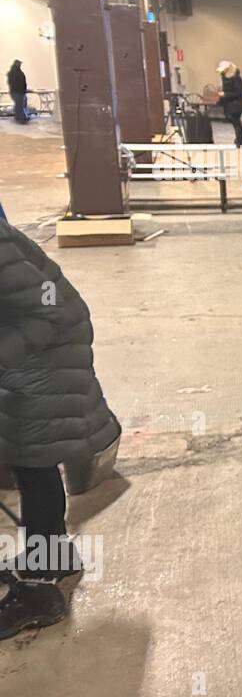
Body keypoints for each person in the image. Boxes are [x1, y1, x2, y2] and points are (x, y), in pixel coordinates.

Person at [0, 219, 120, 639]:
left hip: (48, 352)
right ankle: (54, 553)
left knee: (34, 457)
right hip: (30, 349)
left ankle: (41, 588)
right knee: (29, 457)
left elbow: (44, 311)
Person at [216, 61, 242, 147]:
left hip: (236, 105)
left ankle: (240, 140)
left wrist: (225, 95)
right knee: (236, 123)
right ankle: (240, 139)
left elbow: (239, 93)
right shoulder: (225, 78)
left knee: (236, 123)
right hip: (230, 104)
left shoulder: (236, 79)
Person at [7, 60, 27, 124]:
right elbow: (11, 82)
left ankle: (19, 116)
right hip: (16, 91)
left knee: (19, 104)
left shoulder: (15, 72)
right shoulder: (15, 72)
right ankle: (19, 117)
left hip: (18, 91)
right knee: (19, 104)